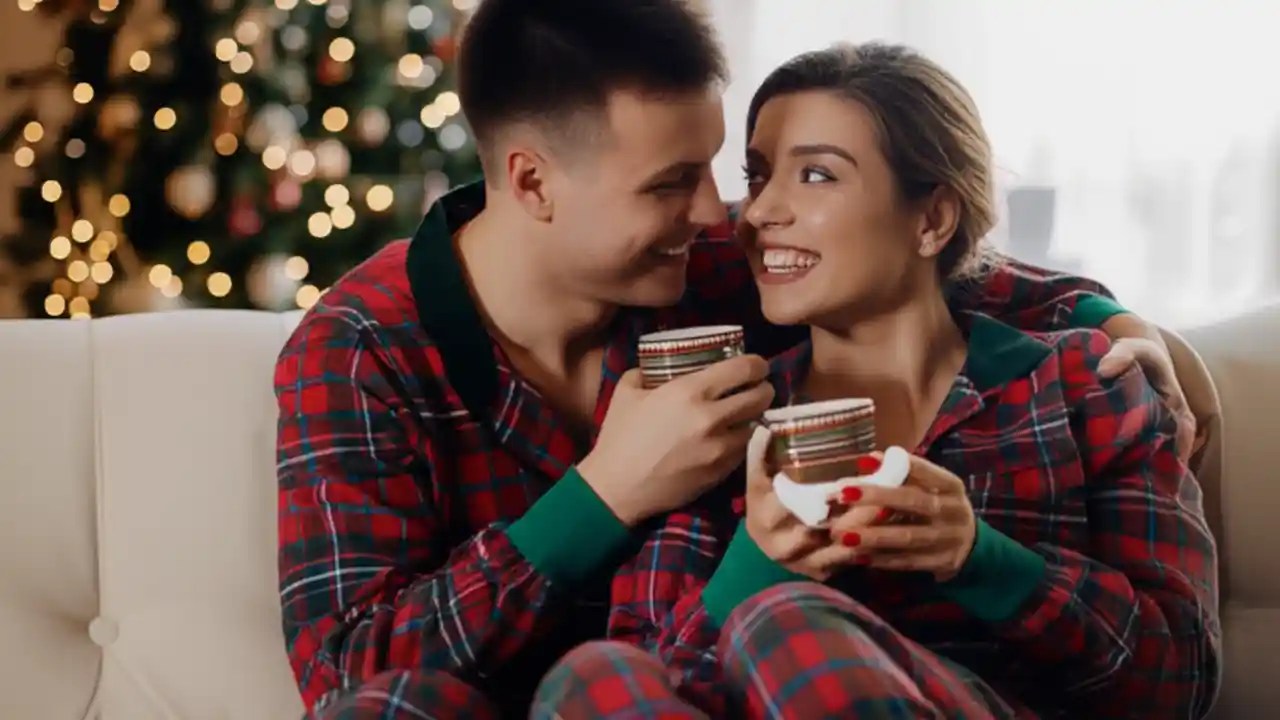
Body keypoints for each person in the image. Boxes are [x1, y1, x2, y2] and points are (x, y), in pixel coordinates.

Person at [274, 4, 1197, 718]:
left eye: (722, 171)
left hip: (804, 678)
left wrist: (1115, 322)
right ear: (533, 181)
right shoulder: (360, 352)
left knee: (761, 635)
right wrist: (605, 494)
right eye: (674, 183)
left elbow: (918, 266)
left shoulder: (702, 270)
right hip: (579, 698)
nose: (728, 216)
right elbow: (348, 675)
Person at [536, 42, 1221, 719]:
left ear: (932, 219)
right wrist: (760, 562)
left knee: (784, 625)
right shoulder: (717, 421)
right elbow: (654, 671)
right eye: (759, 174)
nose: (759, 211)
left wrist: (978, 558)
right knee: (589, 677)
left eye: (816, 175)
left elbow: (1179, 680)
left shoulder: (1082, 386)